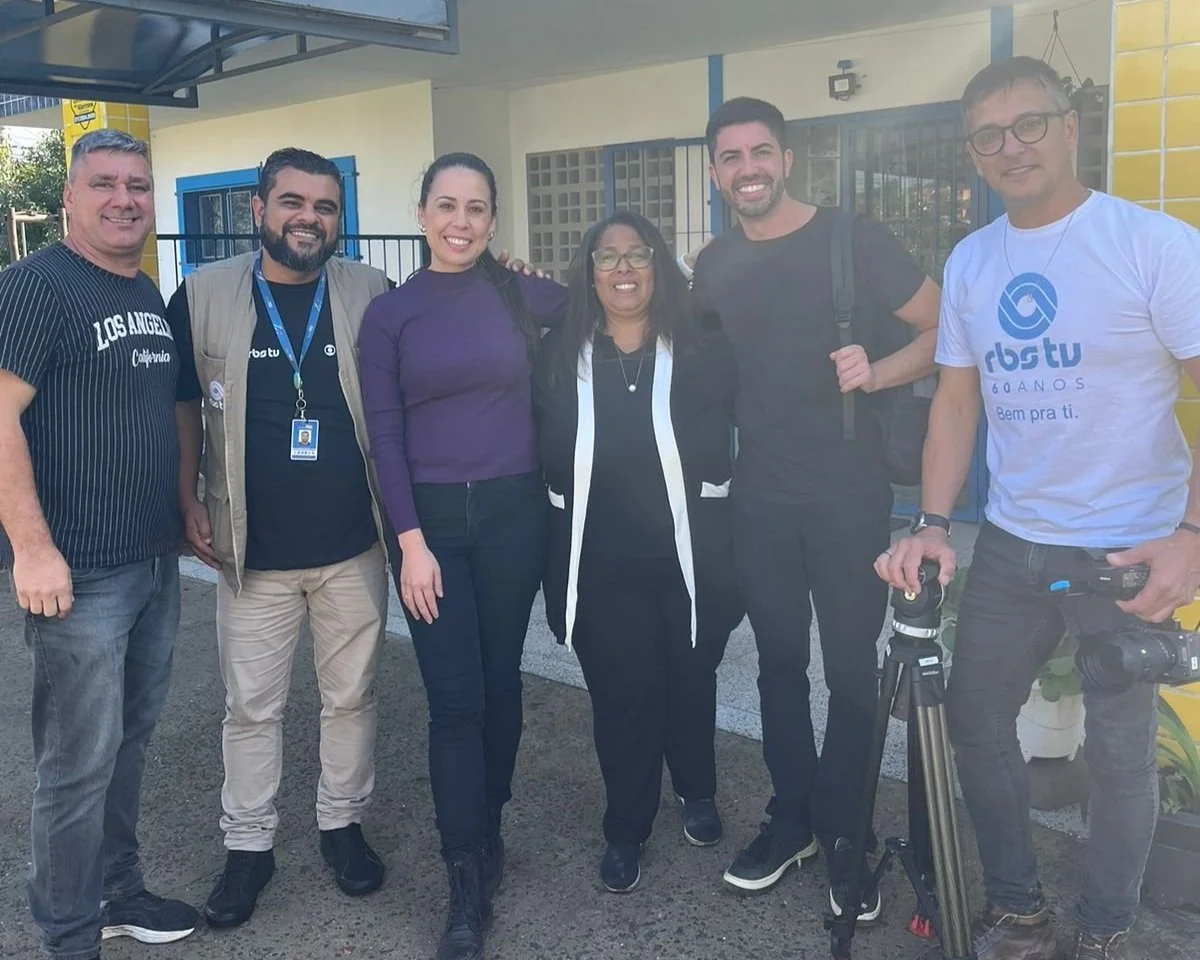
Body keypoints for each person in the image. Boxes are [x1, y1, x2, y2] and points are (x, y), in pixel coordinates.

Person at [876, 56, 1200, 960]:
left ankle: (1103, 930)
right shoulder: (973, 260)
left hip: (1127, 552)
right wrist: (934, 523)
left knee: (1121, 755)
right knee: (977, 725)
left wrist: (1192, 537)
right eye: (988, 136)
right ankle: (1018, 911)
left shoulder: (1154, 245)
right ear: (974, 156)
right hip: (1015, 547)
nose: (1010, 147)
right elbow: (954, 403)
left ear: (1068, 127)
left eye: (1028, 125)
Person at [689, 96, 942, 919]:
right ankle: (794, 817)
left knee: (849, 673)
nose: (748, 168)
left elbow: (945, 328)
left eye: (761, 151)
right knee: (777, 668)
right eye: (731, 157)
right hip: (760, 496)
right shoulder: (716, 264)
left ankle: (848, 831)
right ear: (718, 170)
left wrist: (878, 370)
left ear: (787, 158)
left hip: (845, 494)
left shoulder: (853, 239)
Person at [166, 147, 392, 927]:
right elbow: (184, 403)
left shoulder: (371, 290)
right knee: (251, 708)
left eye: (326, 206)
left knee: (351, 697)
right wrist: (185, 494)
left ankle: (342, 826)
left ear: (339, 219)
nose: (310, 218)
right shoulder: (200, 294)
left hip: (353, 546)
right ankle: (249, 846)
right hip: (250, 552)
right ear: (258, 209)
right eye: (293, 202)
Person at [357, 152, 567, 960]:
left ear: (492, 219)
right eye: (446, 205)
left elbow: (614, 299)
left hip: (517, 513)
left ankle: (489, 828)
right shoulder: (391, 315)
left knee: (501, 681)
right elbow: (384, 435)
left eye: (477, 208)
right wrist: (409, 542)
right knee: (454, 701)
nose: (461, 221)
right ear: (420, 214)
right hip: (431, 527)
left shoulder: (517, 293)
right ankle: (461, 878)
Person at [0, 129, 198, 960]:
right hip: (79, 571)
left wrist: (185, 511)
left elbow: (163, 417)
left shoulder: (145, 288)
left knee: (127, 741)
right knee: (76, 765)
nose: (125, 199)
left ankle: (117, 890)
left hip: (151, 560)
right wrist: (31, 547)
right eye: (106, 184)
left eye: (139, 185)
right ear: (70, 200)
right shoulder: (36, 286)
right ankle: (70, 934)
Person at [533, 211, 742, 893]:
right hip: (599, 564)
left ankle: (697, 787)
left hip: (690, 554)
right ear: (588, 274)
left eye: (638, 255)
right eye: (607, 257)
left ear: (659, 265)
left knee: (690, 677)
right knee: (624, 697)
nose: (623, 269)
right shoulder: (560, 353)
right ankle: (626, 826)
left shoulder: (701, 343)